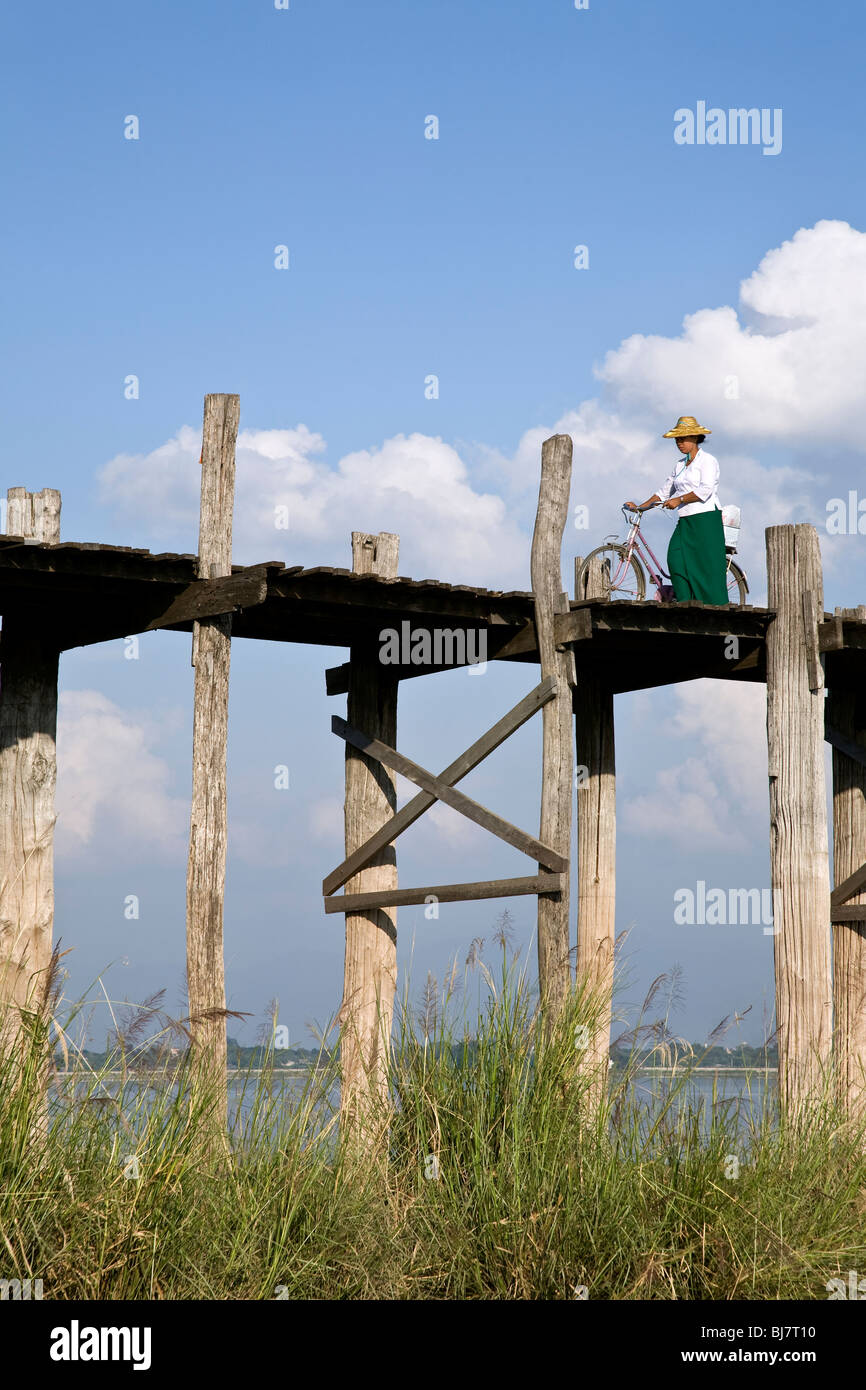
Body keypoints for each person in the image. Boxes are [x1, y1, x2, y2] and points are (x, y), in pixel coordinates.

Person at [625, 415, 728, 604]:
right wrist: (641, 507)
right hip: (686, 519)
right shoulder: (680, 465)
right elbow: (663, 493)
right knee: (675, 557)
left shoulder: (708, 461)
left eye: (683, 438)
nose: (679, 443)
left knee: (705, 565)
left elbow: (705, 490)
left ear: (696, 438)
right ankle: (685, 600)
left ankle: (712, 604)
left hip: (705, 519)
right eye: (677, 439)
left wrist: (679, 499)